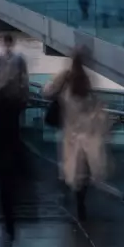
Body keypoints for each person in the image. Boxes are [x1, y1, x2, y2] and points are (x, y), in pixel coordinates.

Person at [42, 49, 109, 220]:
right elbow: (93, 105)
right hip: (86, 132)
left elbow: (48, 92)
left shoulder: (65, 77)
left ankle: (71, 193)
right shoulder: (87, 80)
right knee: (84, 168)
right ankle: (81, 200)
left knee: (71, 166)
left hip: (70, 131)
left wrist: (50, 85)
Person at [0, 33, 29, 243]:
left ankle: (5, 155)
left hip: (6, 101)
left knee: (5, 132)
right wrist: (24, 96)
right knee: (11, 132)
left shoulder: (1, 60)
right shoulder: (18, 59)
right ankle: (12, 155)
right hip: (10, 102)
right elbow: (24, 79)